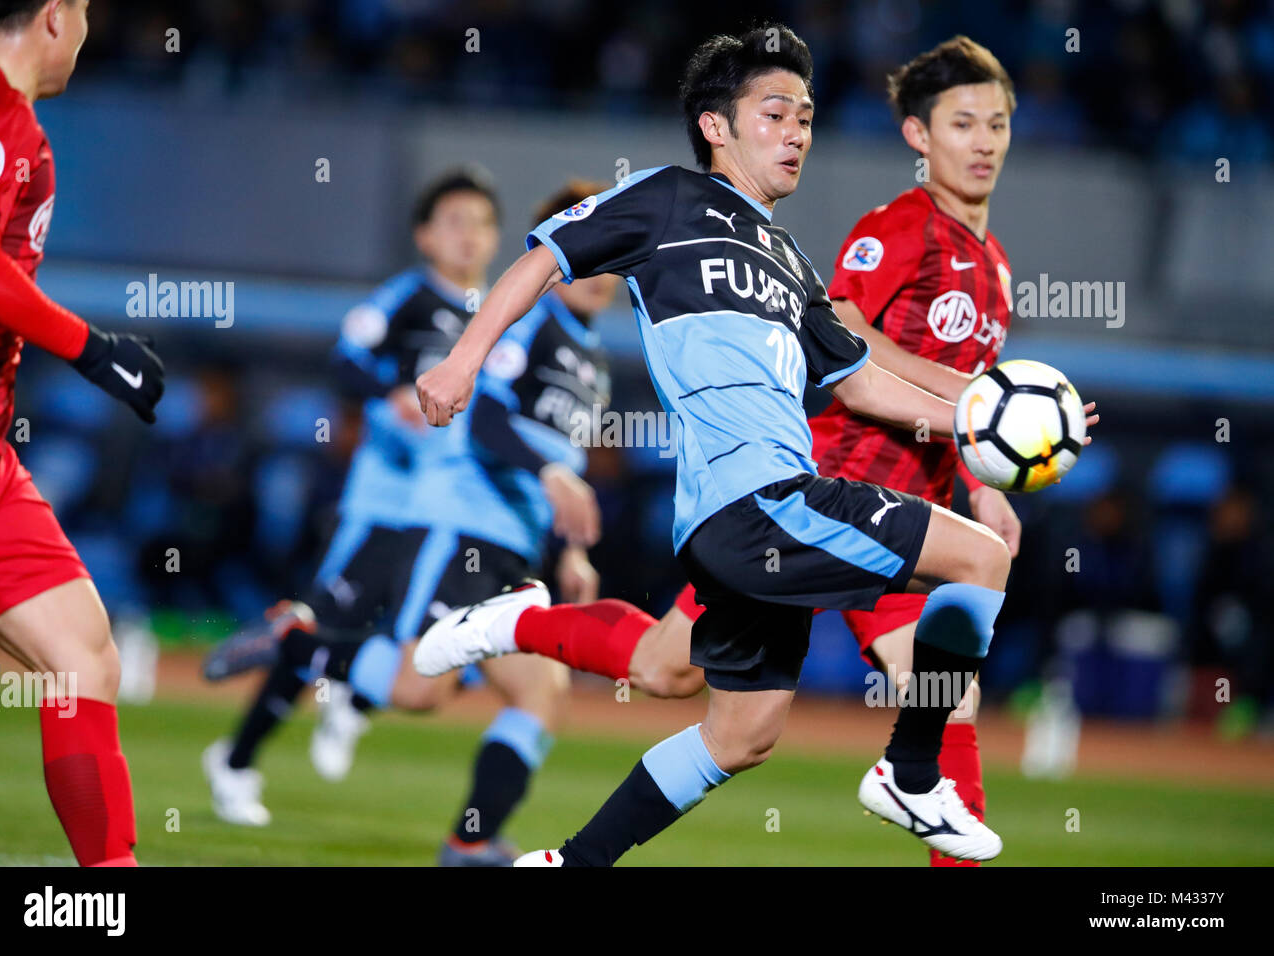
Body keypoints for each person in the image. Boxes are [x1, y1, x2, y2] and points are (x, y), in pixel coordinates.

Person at [416, 24, 1092, 866]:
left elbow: (861, 384)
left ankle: (571, 859)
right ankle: (911, 774)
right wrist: (464, 360)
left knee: (740, 733)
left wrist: (987, 423)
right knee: (982, 561)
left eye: (806, 117)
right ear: (715, 126)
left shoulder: (791, 263)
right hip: (763, 505)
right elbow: (546, 258)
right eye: (775, 114)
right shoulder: (665, 199)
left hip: (759, 520)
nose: (797, 133)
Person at [203, 177, 613, 866]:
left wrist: (569, 548)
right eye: (590, 253)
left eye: (615, 255)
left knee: (542, 695)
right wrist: (548, 475)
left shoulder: (592, 357)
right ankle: (302, 651)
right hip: (462, 531)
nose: (602, 271)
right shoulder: (526, 322)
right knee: (419, 690)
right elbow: (484, 420)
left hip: (512, 544)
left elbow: (555, 459)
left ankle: (468, 842)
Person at [0, 0, 165, 867]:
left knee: (81, 656)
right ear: (54, 16)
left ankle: (110, 891)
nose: (88, 30)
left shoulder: (13, 123)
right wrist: (95, 350)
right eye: (85, 10)